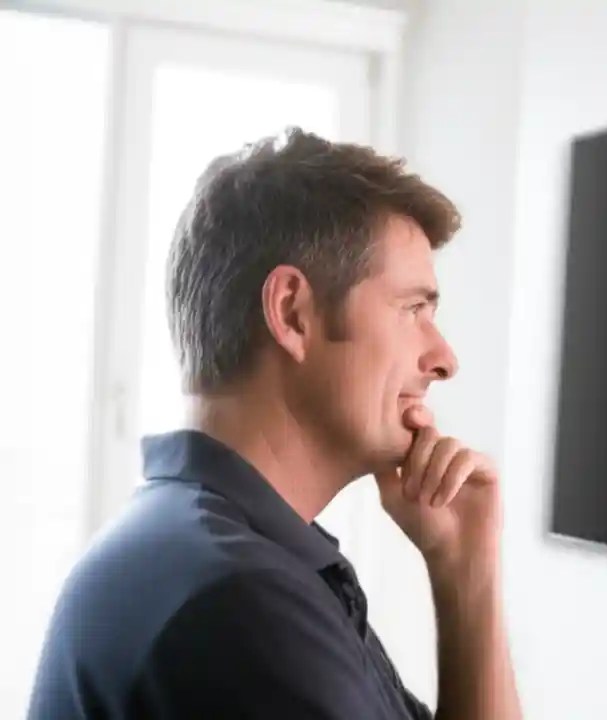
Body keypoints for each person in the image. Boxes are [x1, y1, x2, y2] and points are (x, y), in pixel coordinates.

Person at [26, 127, 520, 719]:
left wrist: (465, 571)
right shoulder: (241, 597)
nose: (444, 358)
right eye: (412, 309)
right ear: (292, 313)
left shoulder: (204, 551)